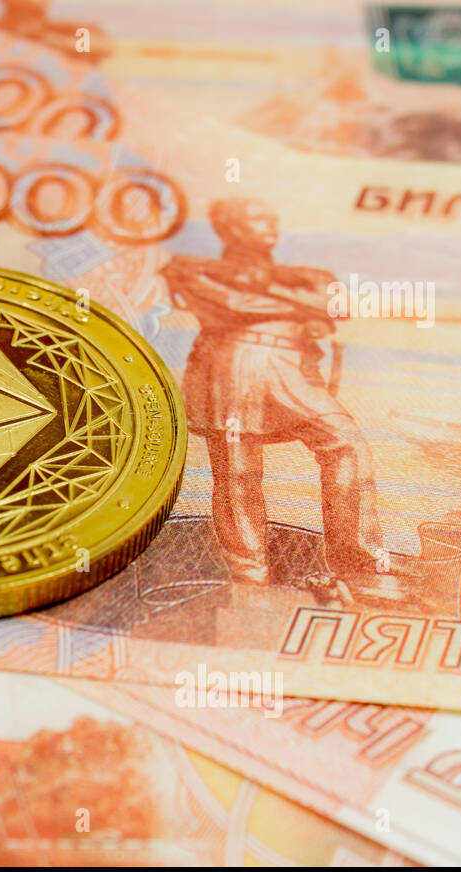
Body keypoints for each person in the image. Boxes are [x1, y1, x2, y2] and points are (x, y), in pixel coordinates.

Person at [161, 198, 387, 592]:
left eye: (271, 217)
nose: (270, 225)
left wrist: (273, 299)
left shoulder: (308, 274)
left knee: (346, 444)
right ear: (229, 228)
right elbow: (231, 304)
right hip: (232, 365)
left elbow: (338, 305)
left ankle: (357, 561)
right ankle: (249, 576)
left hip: (294, 366)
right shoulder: (188, 268)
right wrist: (298, 303)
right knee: (237, 472)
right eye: (256, 217)